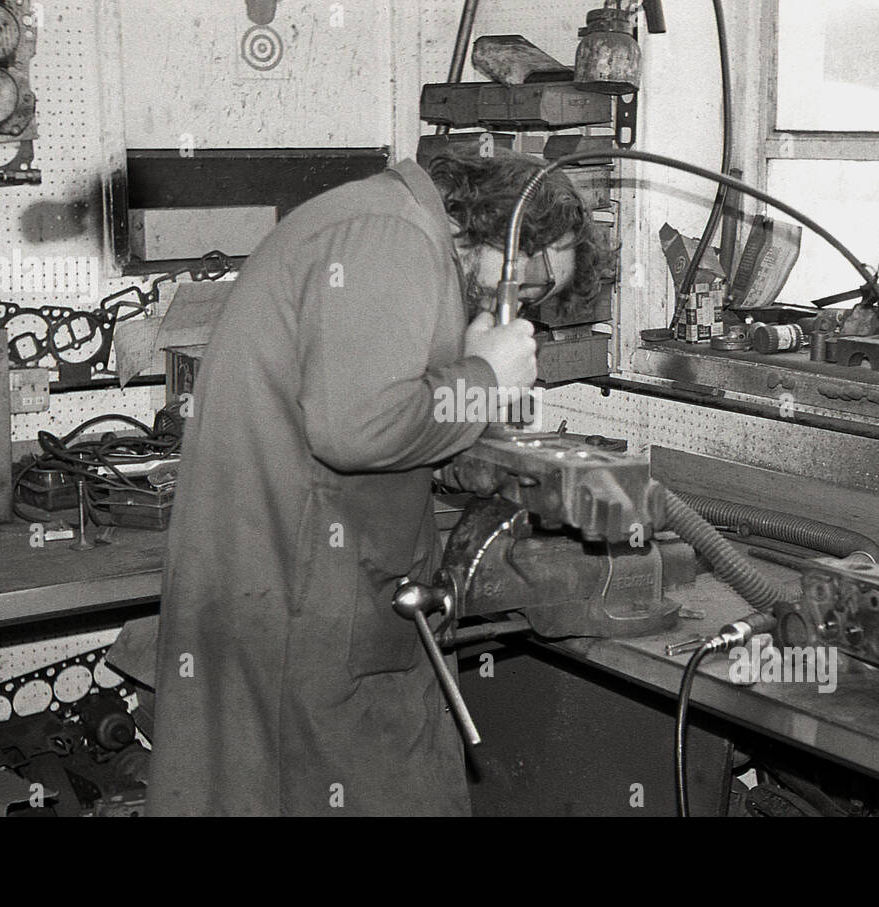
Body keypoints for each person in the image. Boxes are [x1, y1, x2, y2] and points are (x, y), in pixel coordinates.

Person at [107, 146, 608, 815]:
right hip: (304, 604)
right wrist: (487, 378)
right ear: (517, 232)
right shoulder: (393, 237)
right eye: (536, 286)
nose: (524, 308)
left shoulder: (386, 226)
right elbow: (357, 428)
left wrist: (463, 386)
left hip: (308, 588)